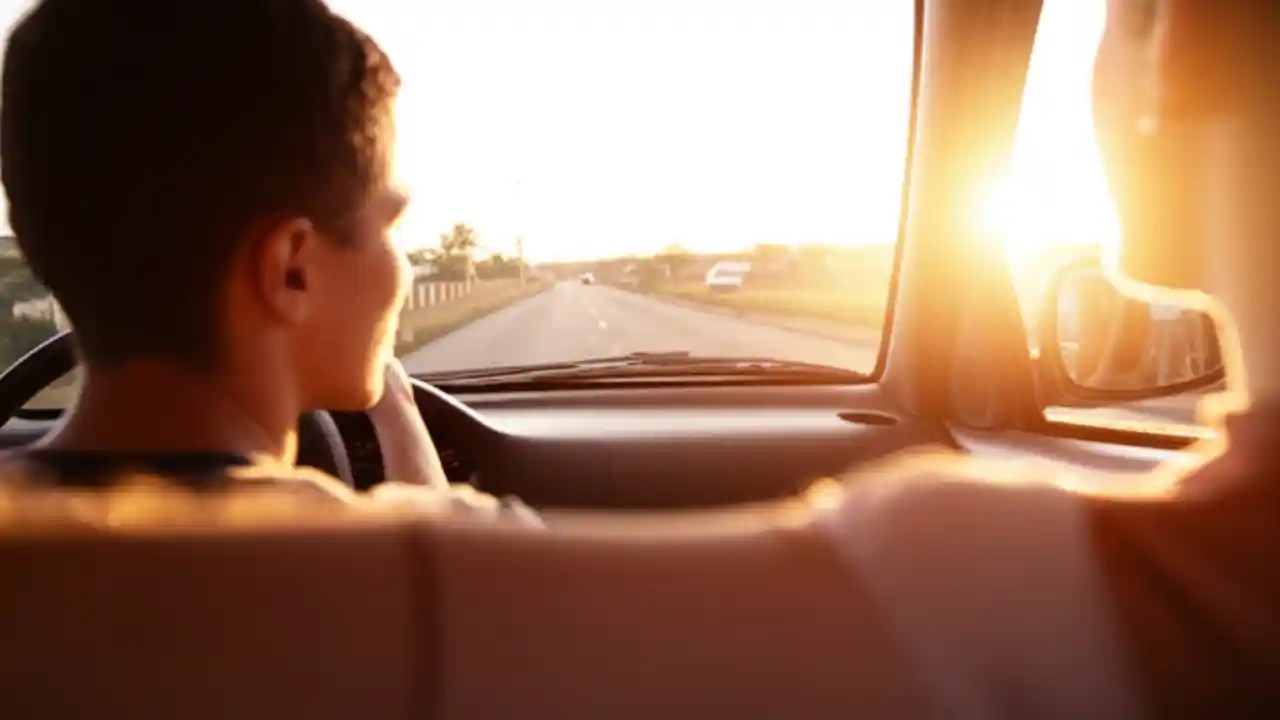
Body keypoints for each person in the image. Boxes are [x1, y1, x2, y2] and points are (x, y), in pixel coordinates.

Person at [2, 0, 1278, 716]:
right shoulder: (1034, 599)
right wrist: (384, 407)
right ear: (292, 271)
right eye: (388, 229)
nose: (396, 266)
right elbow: (441, 567)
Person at [0, 0, 533, 522]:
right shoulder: (476, 560)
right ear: (291, 270)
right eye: (390, 226)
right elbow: (433, 551)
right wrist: (399, 412)